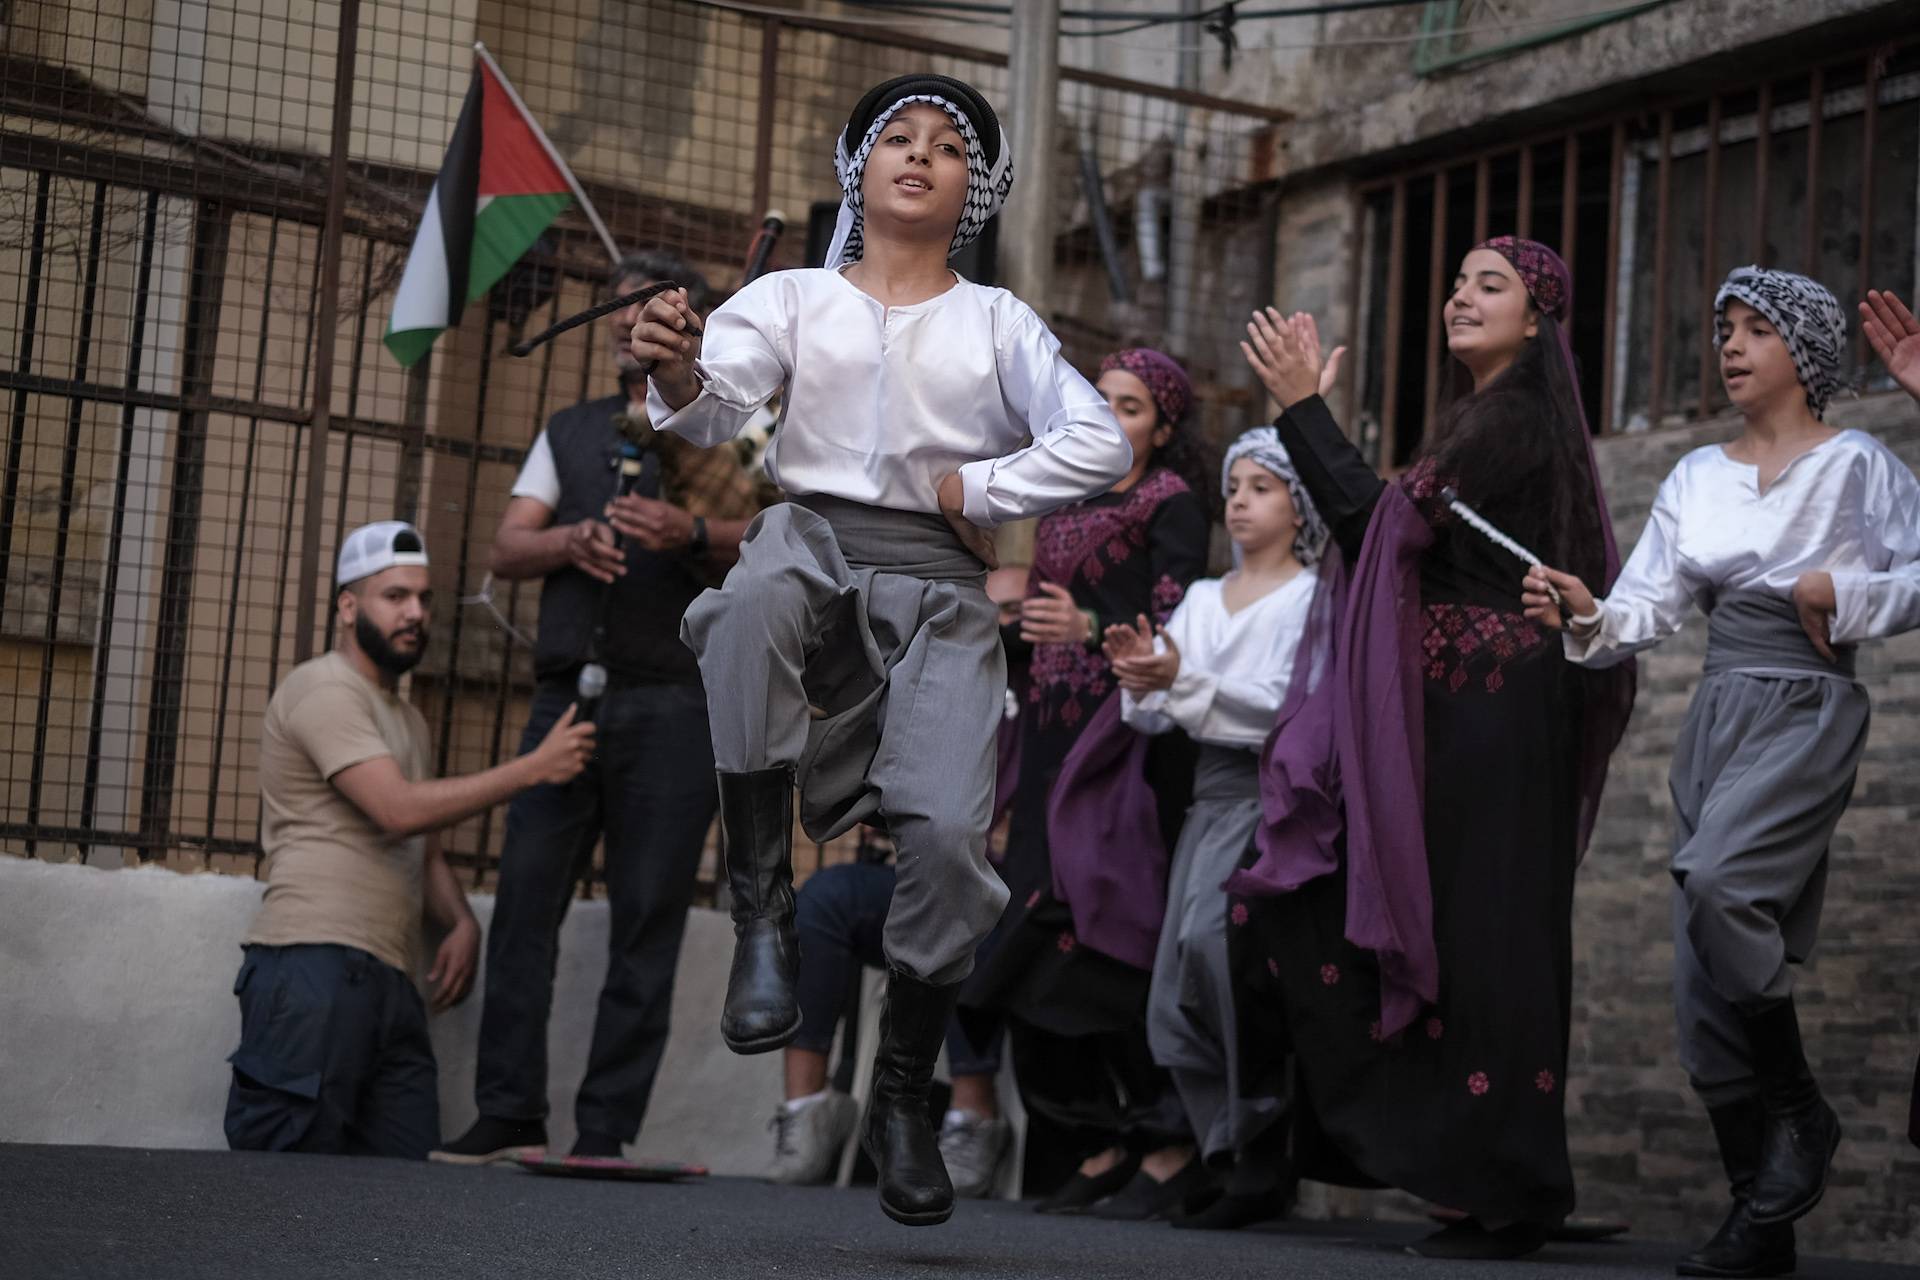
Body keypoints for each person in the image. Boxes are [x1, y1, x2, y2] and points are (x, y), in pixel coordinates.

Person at [631, 73, 1132, 1226]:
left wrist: (989, 484)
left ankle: (905, 1087)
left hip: (944, 584)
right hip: (813, 543)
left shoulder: (1000, 322)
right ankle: (764, 912)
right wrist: (668, 361)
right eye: (896, 138)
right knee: (755, 592)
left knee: (954, 842)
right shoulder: (793, 296)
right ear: (860, 168)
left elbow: (1097, 438)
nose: (920, 154)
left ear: (974, 189)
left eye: (948, 146)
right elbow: (713, 403)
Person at [1237, 236, 1632, 1260]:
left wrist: (1300, 411)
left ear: (1539, 316)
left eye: (1488, 284)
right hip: (1471, 713)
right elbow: (1389, 536)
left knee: (1490, 931)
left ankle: (1506, 1186)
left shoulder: (1507, 418)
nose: (1460, 295)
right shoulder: (1484, 416)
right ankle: (1483, 1175)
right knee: (1465, 927)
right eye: (1454, 281)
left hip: (1494, 715)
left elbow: (1380, 527)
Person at [1525, 266, 1920, 1278]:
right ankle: (1761, 1218)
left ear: (1809, 351)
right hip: (1717, 706)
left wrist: (1851, 589)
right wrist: (1585, 609)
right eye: (1723, 329)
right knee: (1703, 990)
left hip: (1805, 698)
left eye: (1756, 329)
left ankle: (1800, 1109)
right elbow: (1643, 610)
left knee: (1721, 882)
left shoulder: (1861, 463)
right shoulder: (1696, 474)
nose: (1731, 345)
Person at [435, 250, 768, 1165]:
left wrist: (691, 529)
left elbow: (788, 535)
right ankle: (509, 1112)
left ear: (691, 321)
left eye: (648, 307)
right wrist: (571, 539)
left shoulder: (732, 427)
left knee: (647, 920)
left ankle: (605, 1131)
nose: (627, 322)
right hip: (567, 702)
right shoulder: (571, 428)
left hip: (676, 703)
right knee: (525, 909)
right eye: (615, 309)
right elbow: (506, 547)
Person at [226, 521, 594, 1159]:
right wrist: (533, 768)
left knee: (404, 1206)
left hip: (392, 986)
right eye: (394, 597)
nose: (416, 613)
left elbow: (417, 843)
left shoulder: (406, 718)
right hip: (313, 963)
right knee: (280, 1195)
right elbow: (396, 810)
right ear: (347, 606)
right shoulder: (322, 688)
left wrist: (459, 922)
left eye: (423, 599)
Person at [958, 348, 1210, 1221]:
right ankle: (1101, 1135)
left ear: (1164, 429)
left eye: (1131, 406)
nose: (1108, 413)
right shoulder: (1066, 495)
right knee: (1019, 945)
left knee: (1106, 940)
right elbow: (1051, 611)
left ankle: (1165, 1142)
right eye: (1099, 399)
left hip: (1124, 746)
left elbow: (1182, 623)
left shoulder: (1170, 503)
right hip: (1049, 732)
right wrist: (1020, 625)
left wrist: (1089, 622)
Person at [1113, 426, 1331, 1230]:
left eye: (1262, 487)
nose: (1239, 499)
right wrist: (1142, 671)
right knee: (1173, 989)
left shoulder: (1312, 598)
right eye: (1234, 486)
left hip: (1270, 803)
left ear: (1299, 505)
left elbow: (1289, 708)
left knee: (1217, 952)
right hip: (1207, 800)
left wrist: (1181, 678)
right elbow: (1154, 712)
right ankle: (1225, 1148)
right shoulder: (1203, 598)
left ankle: (1260, 1151)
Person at [767, 850, 1010, 1198]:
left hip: (1006, 883)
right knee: (823, 897)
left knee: (969, 902)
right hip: (921, 869)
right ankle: (807, 1109)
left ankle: (975, 1118)